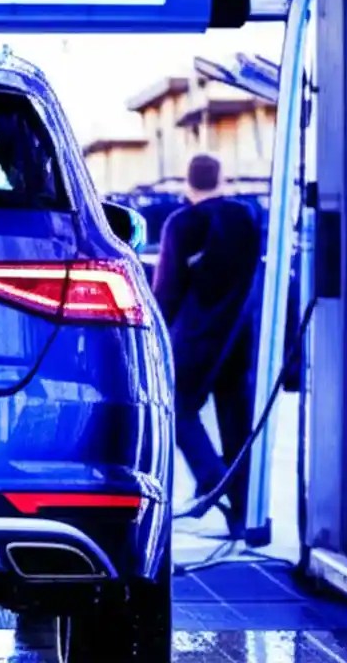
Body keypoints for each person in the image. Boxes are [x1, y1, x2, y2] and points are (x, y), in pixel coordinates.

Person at [152, 154, 263, 539]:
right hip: (238, 335)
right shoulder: (248, 218)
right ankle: (243, 514)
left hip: (196, 337)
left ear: (188, 182)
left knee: (176, 408)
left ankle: (212, 477)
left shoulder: (183, 224)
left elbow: (167, 289)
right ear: (223, 177)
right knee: (236, 422)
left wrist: (155, 329)